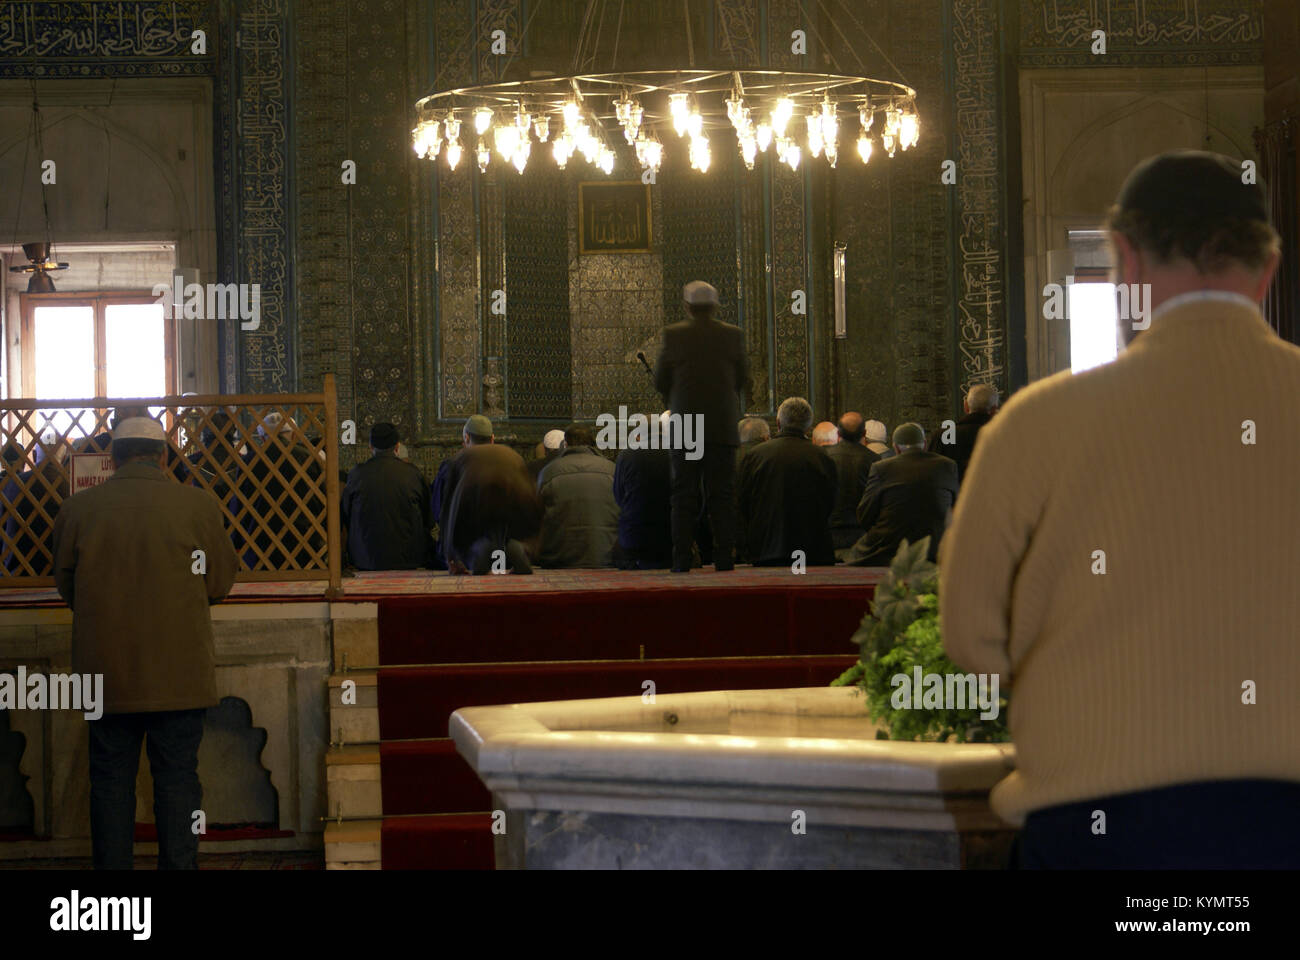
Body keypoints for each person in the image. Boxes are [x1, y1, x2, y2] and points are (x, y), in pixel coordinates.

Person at [941, 150, 1300, 869]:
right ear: (1268, 270)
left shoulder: (1037, 423)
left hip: (1100, 830)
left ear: (1126, 263)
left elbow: (970, 637)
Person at [51, 416, 237, 870]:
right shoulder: (197, 505)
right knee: (178, 781)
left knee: (110, 781)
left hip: (107, 677)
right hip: (179, 673)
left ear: (112, 459)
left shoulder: (80, 509)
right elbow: (218, 582)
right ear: (164, 456)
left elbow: (66, 586)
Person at [653, 281, 749, 572]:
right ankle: (723, 558)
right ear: (716, 306)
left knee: (684, 494)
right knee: (721, 494)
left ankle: (681, 559)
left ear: (687, 307)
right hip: (721, 425)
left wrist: (676, 397)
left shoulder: (674, 335)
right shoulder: (733, 335)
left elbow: (660, 380)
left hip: (685, 424)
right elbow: (743, 378)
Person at [736, 397, 837, 567]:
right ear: (809, 426)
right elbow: (831, 502)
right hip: (813, 550)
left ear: (778, 422)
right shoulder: (823, 457)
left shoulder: (756, 456)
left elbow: (743, 502)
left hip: (766, 549)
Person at [845, 422, 957, 566]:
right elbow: (955, 508)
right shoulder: (948, 465)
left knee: (855, 552)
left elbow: (865, 515)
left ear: (896, 448)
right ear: (924, 444)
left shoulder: (882, 468)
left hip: (892, 547)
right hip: (934, 546)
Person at [231, 413, 325, 569]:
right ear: (294, 435)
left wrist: (237, 541)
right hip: (304, 545)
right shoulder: (310, 458)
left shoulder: (248, 462)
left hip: (259, 546)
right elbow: (322, 501)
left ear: (261, 438)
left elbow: (239, 505)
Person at [341, 423, 430, 570]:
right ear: (397, 447)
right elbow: (428, 519)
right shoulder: (413, 474)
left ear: (370, 446)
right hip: (410, 559)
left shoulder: (356, 474)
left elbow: (345, 515)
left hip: (365, 559)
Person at [441, 443, 540, 575]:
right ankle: (517, 549)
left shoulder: (461, 457)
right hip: (514, 488)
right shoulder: (512, 454)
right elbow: (532, 504)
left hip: (475, 489)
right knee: (508, 533)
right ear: (491, 438)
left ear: (467, 438)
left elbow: (449, 508)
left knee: (482, 544)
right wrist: (530, 548)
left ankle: (480, 553)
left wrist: (452, 557)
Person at [536, 423, 619, 568]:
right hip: (606, 554)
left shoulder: (549, 471)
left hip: (559, 557)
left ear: (565, 444)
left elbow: (536, 516)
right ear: (592, 443)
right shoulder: (611, 469)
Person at [430, 415, 494, 567]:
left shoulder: (450, 467)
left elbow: (437, 511)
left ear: (466, 438)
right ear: (492, 439)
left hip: (456, 556)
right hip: (495, 555)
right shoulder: (505, 467)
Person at [612, 413, 673, 569]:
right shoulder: (678, 452)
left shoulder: (627, 454)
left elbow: (619, 496)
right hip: (672, 536)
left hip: (634, 537)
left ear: (638, 435)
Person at [825, 411, 880, 557]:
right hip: (862, 535)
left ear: (838, 433)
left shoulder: (824, 457)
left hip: (828, 533)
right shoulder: (874, 460)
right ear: (864, 433)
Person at [927, 383, 999, 483]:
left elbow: (932, 475)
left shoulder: (946, 436)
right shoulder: (1002, 436)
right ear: (994, 410)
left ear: (966, 406)